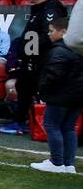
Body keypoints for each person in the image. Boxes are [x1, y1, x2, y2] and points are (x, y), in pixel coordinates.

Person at [7, 0, 69, 133]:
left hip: (40, 61)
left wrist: (30, 53)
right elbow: (33, 34)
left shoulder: (51, 10)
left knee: (32, 89)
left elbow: (47, 36)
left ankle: (29, 123)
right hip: (31, 60)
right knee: (23, 88)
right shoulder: (38, 10)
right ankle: (19, 119)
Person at [31, 17, 82, 173]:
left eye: (52, 31)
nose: (49, 34)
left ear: (64, 31)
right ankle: (69, 164)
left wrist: (43, 91)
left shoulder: (59, 50)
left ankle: (56, 162)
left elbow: (53, 76)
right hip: (77, 96)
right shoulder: (79, 50)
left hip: (60, 96)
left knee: (53, 126)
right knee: (69, 128)